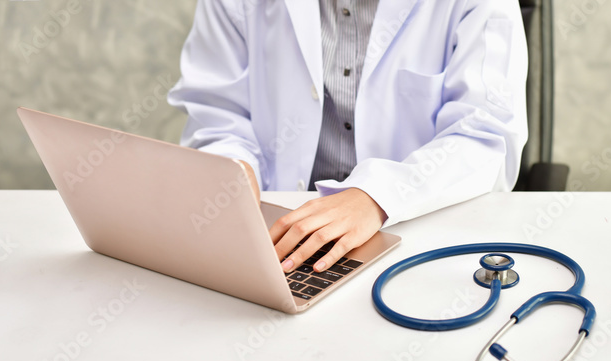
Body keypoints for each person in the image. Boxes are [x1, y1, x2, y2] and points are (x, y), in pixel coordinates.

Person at [167, 0, 528, 275]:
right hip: (278, 233)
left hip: (416, 236)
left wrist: (377, 196)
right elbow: (216, 111)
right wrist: (232, 167)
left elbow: (486, 136)